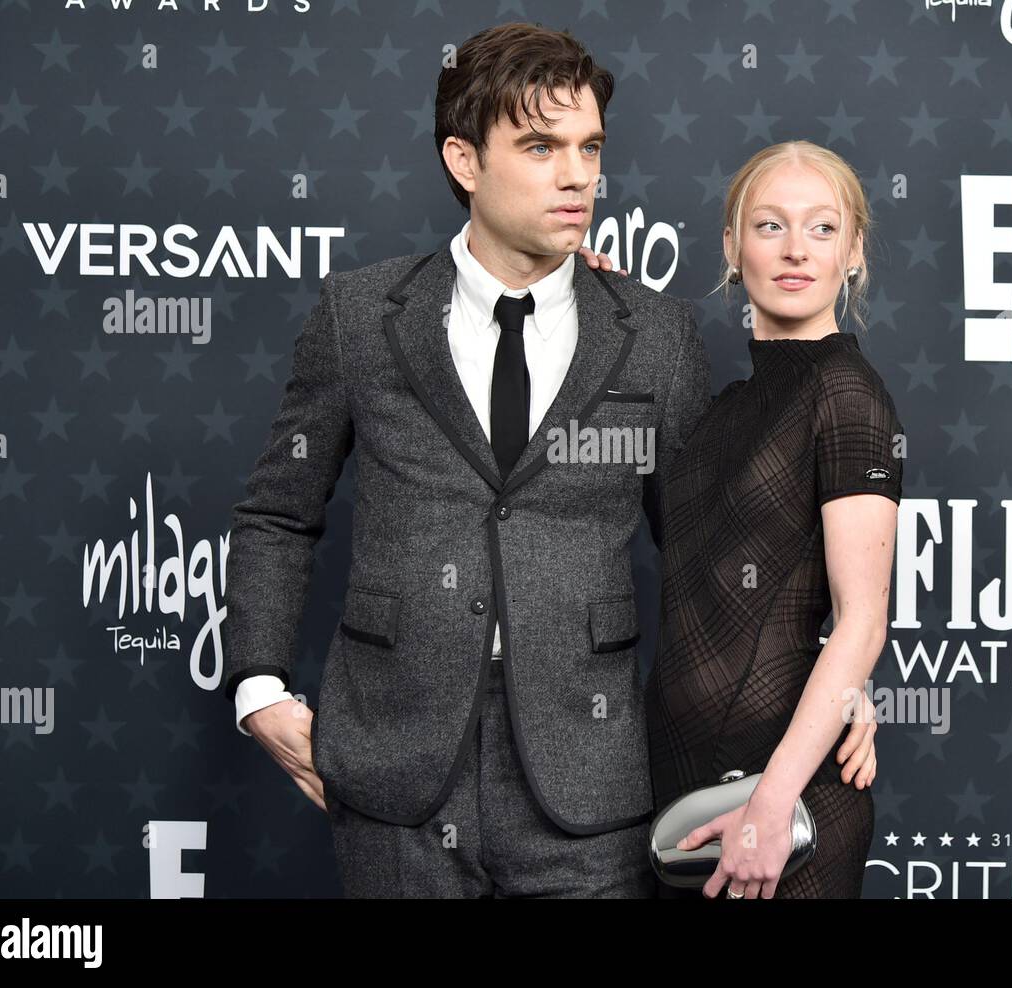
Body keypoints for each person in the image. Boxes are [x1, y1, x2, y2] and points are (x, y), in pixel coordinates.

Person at [224, 19, 879, 898]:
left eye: (590, 147)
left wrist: (832, 677)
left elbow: (710, 555)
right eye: (540, 146)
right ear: (464, 161)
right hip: (394, 774)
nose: (578, 175)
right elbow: (277, 512)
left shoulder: (652, 334)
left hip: (590, 779)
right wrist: (258, 685)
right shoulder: (360, 315)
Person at [587, 141, 902, 899]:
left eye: (822, 228)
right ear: (731, 247)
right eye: (769, 226)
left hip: (785, 806)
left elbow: (863, 621)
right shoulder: (720, 412)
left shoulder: (846, 394)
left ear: (853, 251)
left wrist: (772, 800)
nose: (796, 250)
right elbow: (698, 559)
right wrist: (598, 303)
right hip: (678, 786)